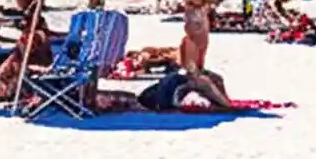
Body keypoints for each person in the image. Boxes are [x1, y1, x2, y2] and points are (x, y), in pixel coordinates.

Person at [93, 69, 234, 113]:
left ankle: (225, 102)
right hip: (166, 94)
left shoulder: (148, 99)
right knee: (209, 81)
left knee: (209, 81)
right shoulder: (167, 99)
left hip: (165, 92)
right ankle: (226, 103)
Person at [181, 0, 211, 73]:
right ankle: (193, 69)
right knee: (191, 48)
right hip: (192, 27)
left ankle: (198, 68)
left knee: (200, 47)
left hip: (199, 26)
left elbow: (200, 1)